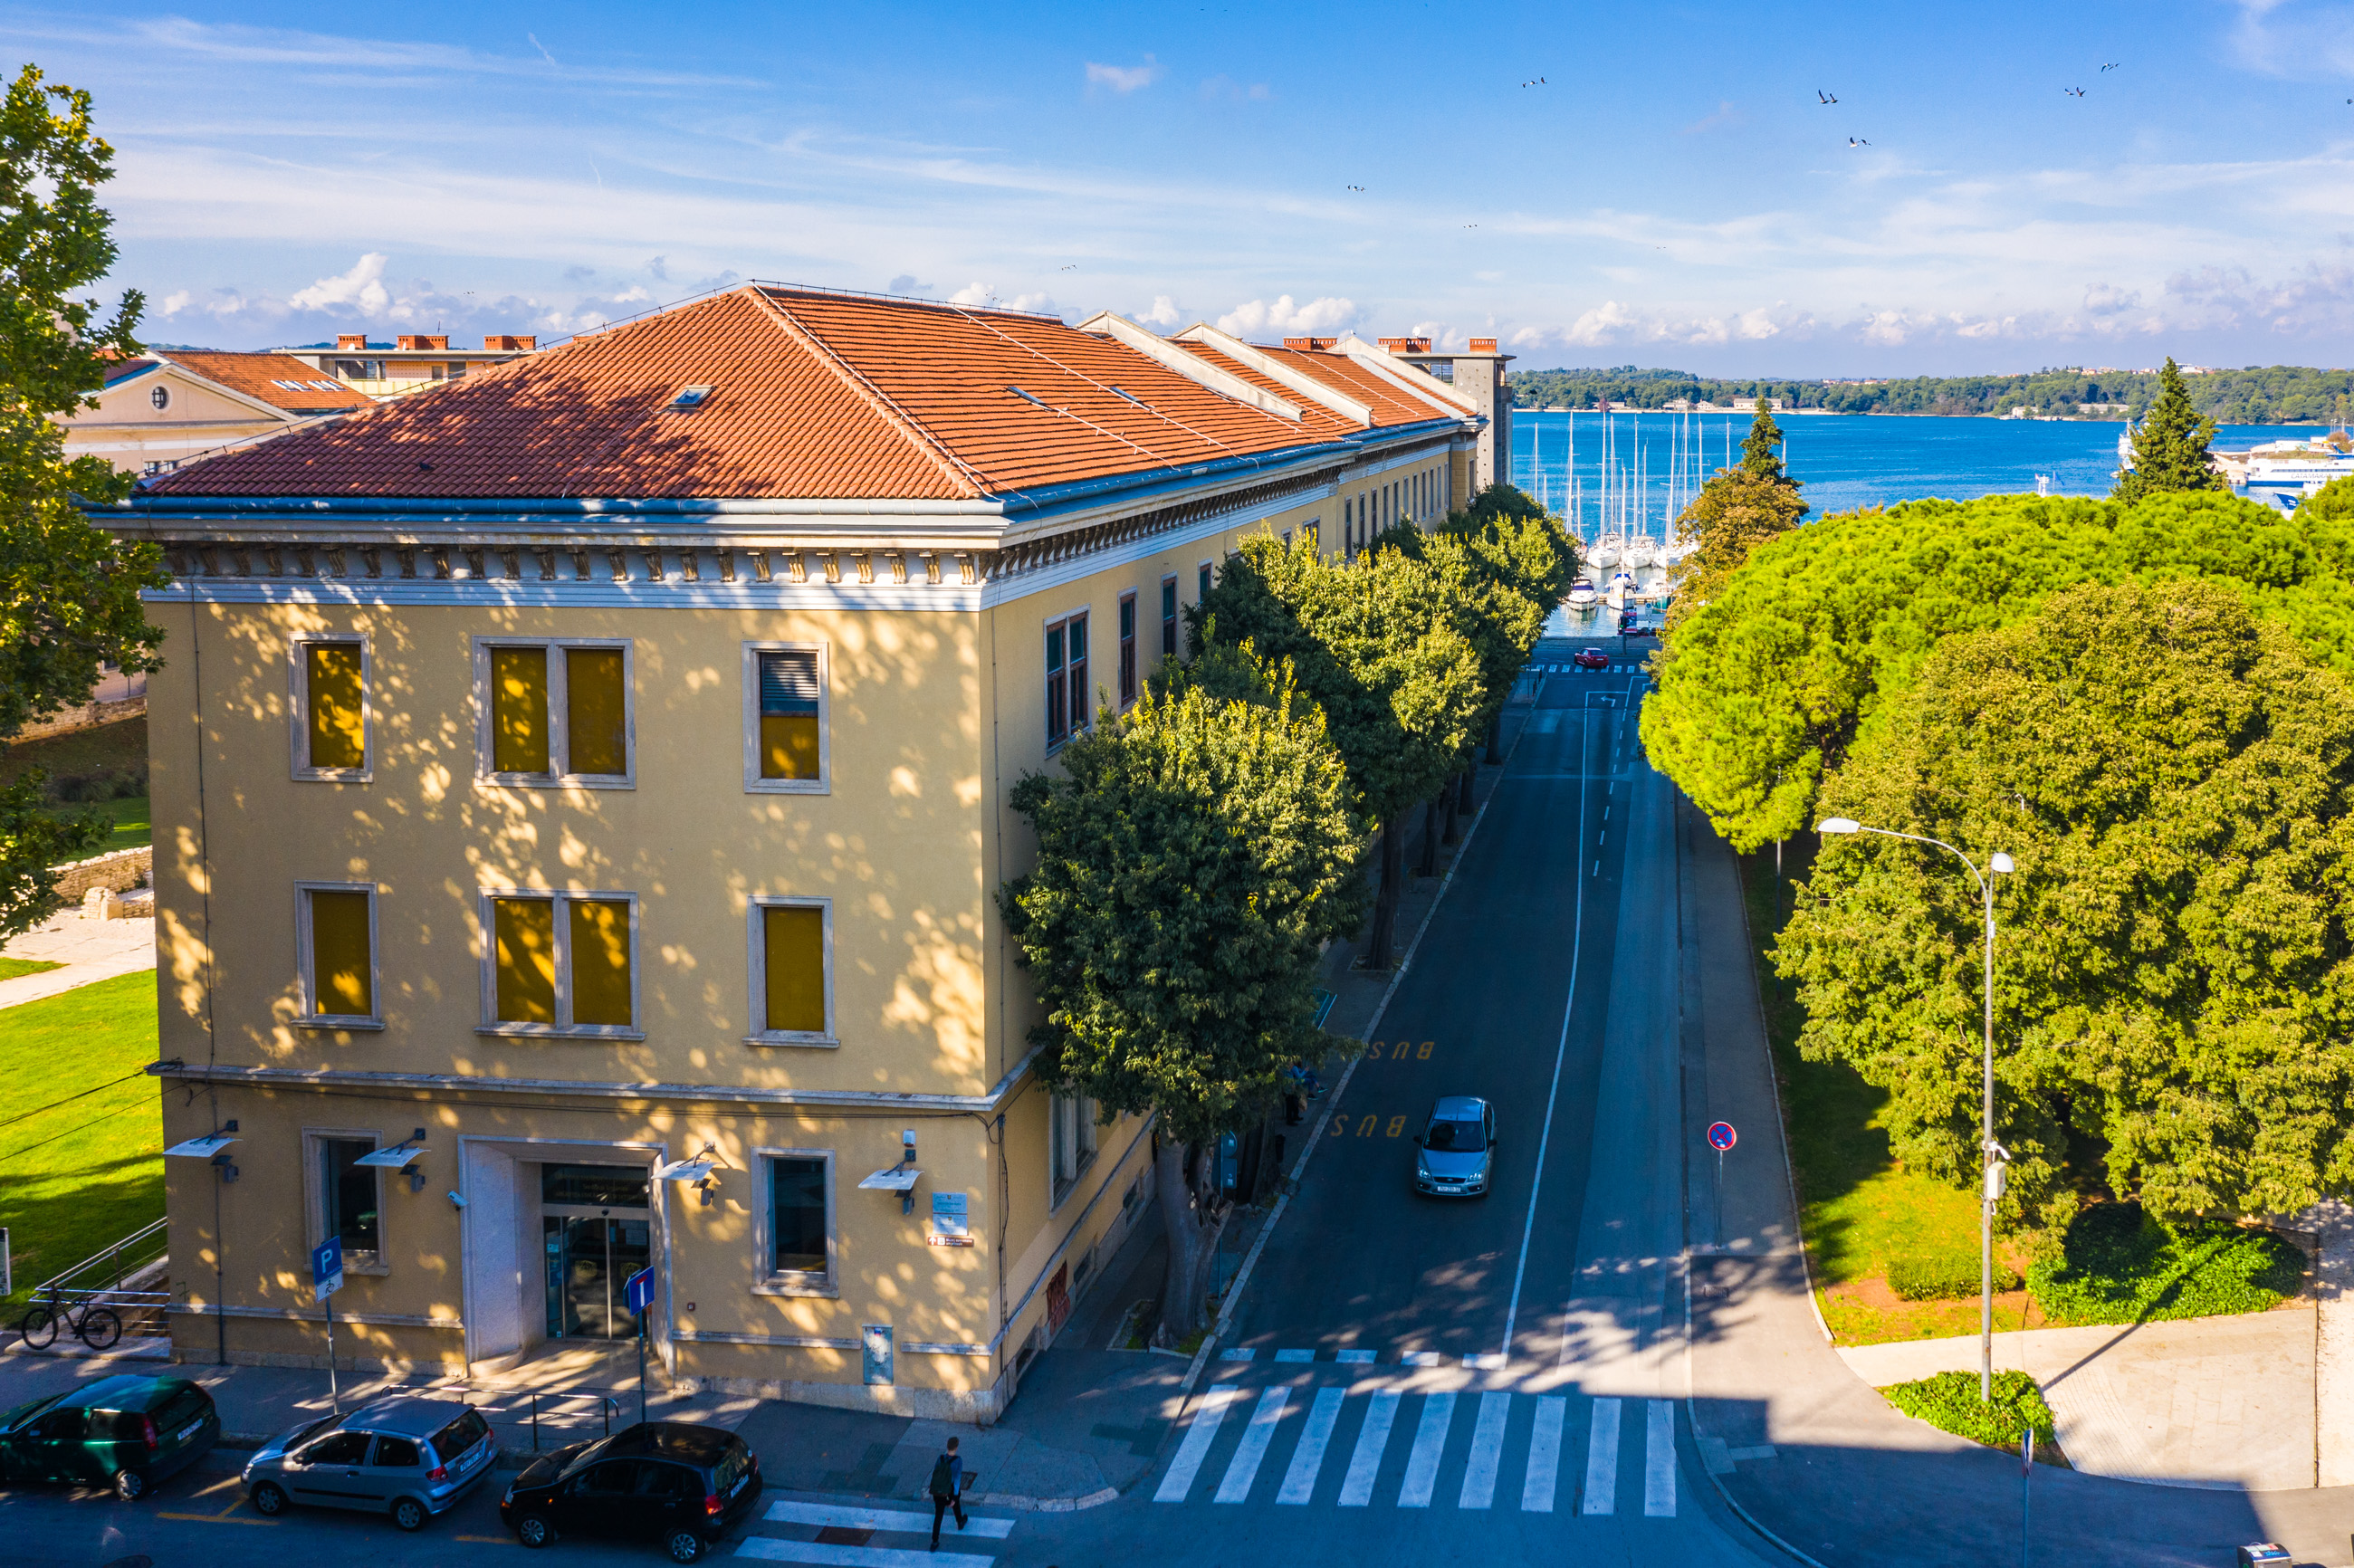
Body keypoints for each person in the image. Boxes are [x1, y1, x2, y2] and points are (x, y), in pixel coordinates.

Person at [927, 1436, 967, 1550]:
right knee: (956, 1502)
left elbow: (935, 1473)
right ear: (956, 1447)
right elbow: (957, 1479)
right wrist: (954, 1496)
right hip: (949, 1488)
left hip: (938, 1490)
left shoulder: (940, 1458)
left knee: (938, 1515)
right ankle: (960, 1521)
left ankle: (934, 1541)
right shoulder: (958, 1461)